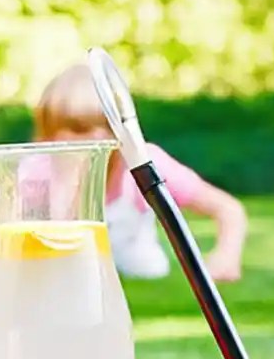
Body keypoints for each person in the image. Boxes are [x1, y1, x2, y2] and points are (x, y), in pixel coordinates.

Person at [32, 62, 248, 282]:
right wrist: (68, 181)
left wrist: (226, 256)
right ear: (48, 135)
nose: (98, 138)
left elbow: (228, 208)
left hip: (141, 267)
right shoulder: (35, 171)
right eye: (79, 129)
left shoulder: (142, 163)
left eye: (108, 127)